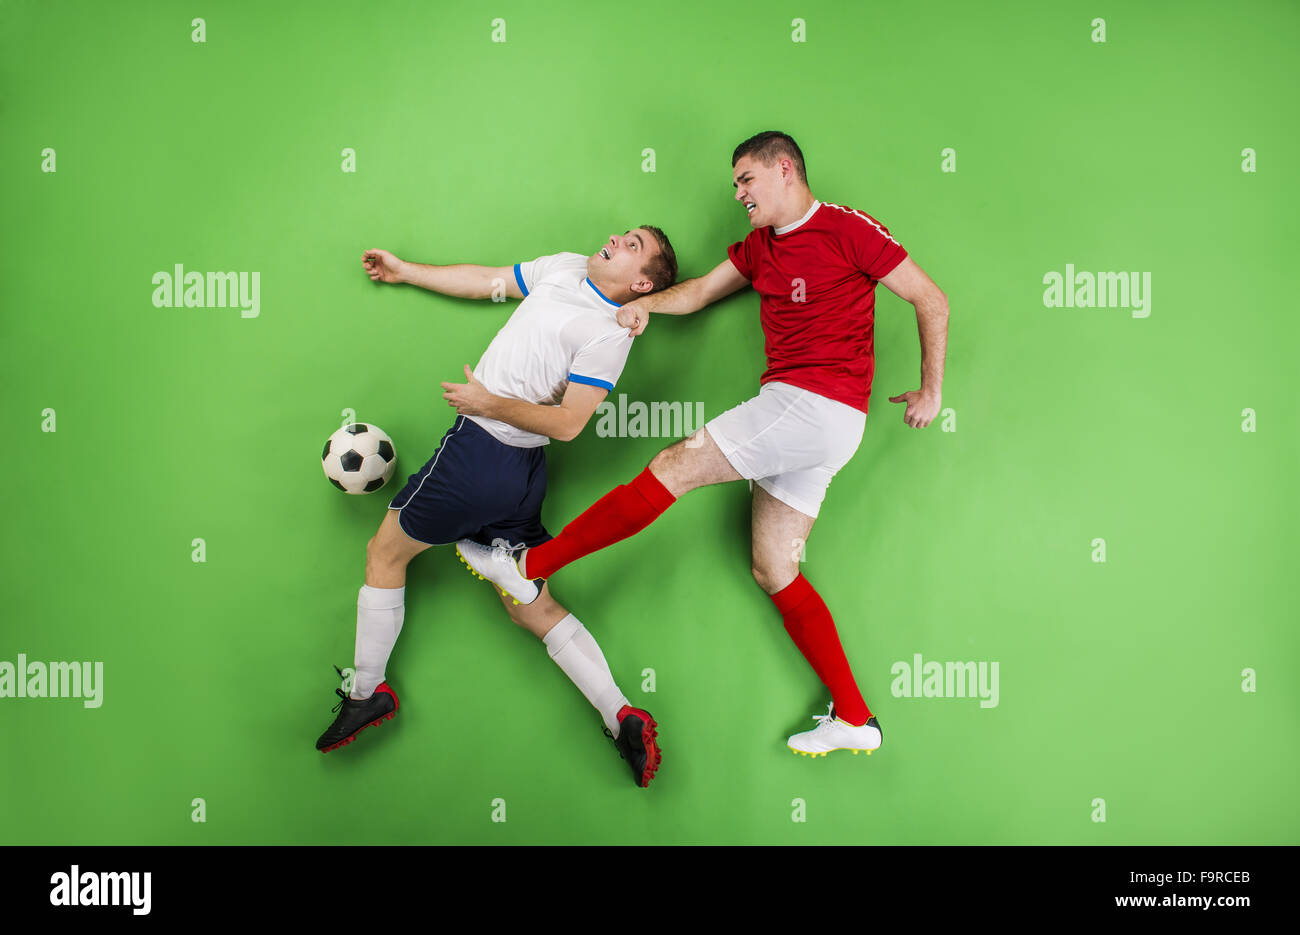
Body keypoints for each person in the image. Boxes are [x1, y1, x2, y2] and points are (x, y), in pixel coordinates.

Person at [459, 131, 949, 758]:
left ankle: (529, 568)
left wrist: (930, 390)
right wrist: (642, 310)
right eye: (735, 184)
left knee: (674, 464)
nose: (739, 192)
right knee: (775, 568)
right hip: (817, 429)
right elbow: (696, 293)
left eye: (747, 179)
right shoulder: (758, 249)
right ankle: (855, 717)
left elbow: (929, 298)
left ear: (785, 168)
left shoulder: (848, 229)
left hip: (812, 401)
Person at [316, 225, 678, 788]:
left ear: (641, 282)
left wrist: (488, 402)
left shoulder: (609, 335)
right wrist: (406, 270)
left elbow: (569, 424)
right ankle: (620, 712)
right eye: (623, 233)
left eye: (633, 245)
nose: (615, 237)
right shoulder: (563, 267)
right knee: (526, 604)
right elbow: (489, 281)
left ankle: (367, 693)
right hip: (518, 477)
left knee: (384, 555)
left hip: (477, 455)